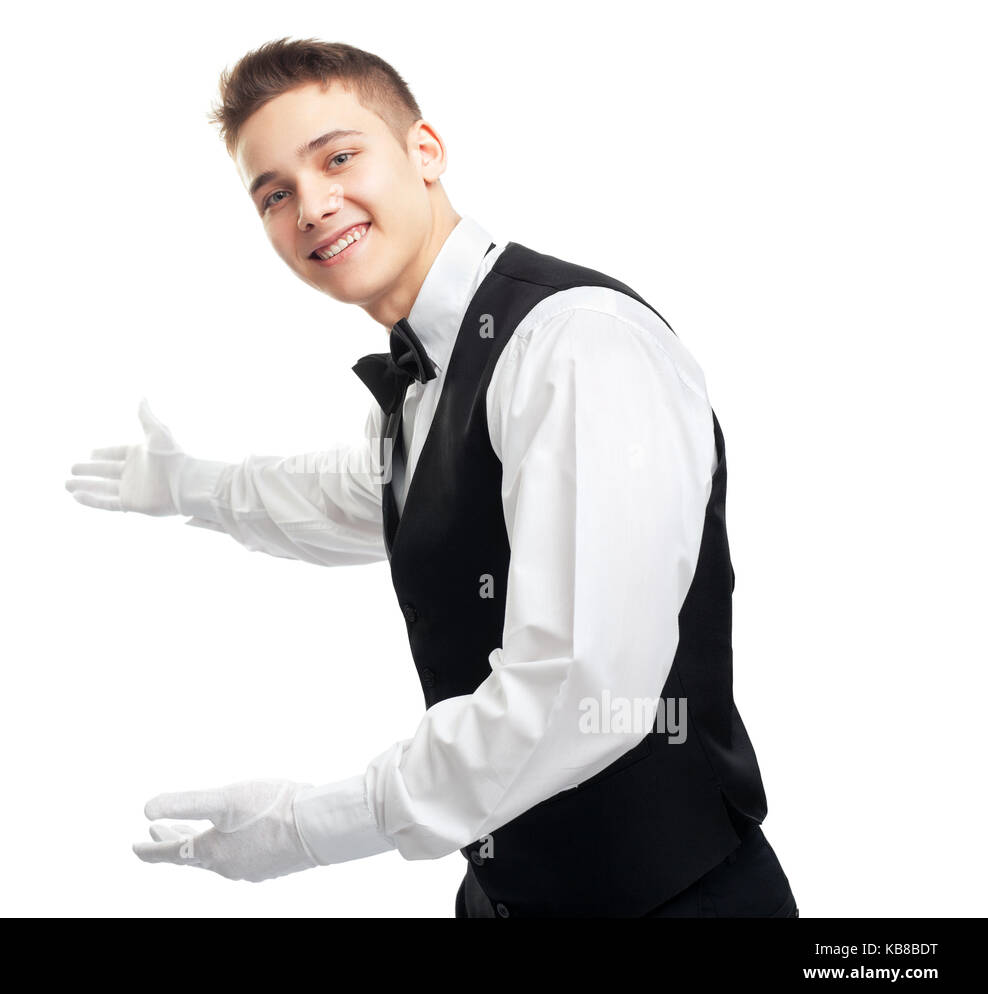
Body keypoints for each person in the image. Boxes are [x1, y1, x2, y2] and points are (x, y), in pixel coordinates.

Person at [65, 36, 797, 918]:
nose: (312, 205)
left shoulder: (575, 344)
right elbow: (359, 497)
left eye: (338, 157)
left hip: (673, 901)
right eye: (275, 194)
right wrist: (190, 485)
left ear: (425, 152)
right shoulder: (423, 378)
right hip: (506, 893)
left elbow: (578, 687)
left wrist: (310, 824)